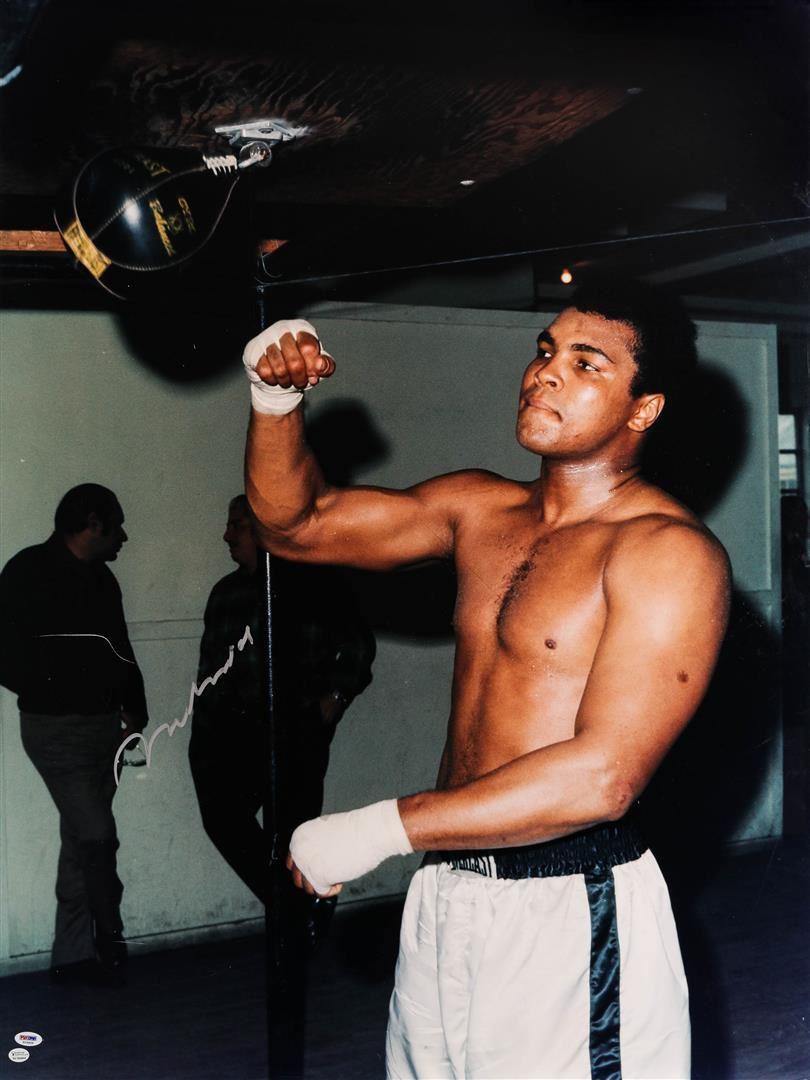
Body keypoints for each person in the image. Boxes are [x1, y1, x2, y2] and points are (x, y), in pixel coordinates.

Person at [241, 285, 731, 1079]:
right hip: (446, 889)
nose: (545, 372)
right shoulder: (478, 509)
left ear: (643, 409)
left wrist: (378, 829)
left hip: (569, 901)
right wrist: (275, 402)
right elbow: (295, 526)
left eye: (586, 363)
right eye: (545, 350)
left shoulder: (668, 552)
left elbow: (604, 776)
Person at [189, 494, 376, 908]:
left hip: (297, 729)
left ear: (263, 531)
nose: (227, 536)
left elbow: (359, 646)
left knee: (294, 835)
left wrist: (336, 697)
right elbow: (210, 669)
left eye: (237, 525)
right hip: (236, 730)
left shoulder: (315, 586)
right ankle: (296, 908)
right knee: (224, 819)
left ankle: (299, 915)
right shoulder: (226, 593)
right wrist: (203, 732)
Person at [0, 484, 148, 986]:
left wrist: (135, 710)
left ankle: (72, 955)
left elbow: (121, 648)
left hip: (103, 727)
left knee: (79, 838)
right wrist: (48, 687)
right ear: (93, 524)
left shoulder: (103, 579)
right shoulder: (26, 571)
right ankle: (110, 936)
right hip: (55, 730)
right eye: (117, 524)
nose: (123, 535)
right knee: (97, 833)